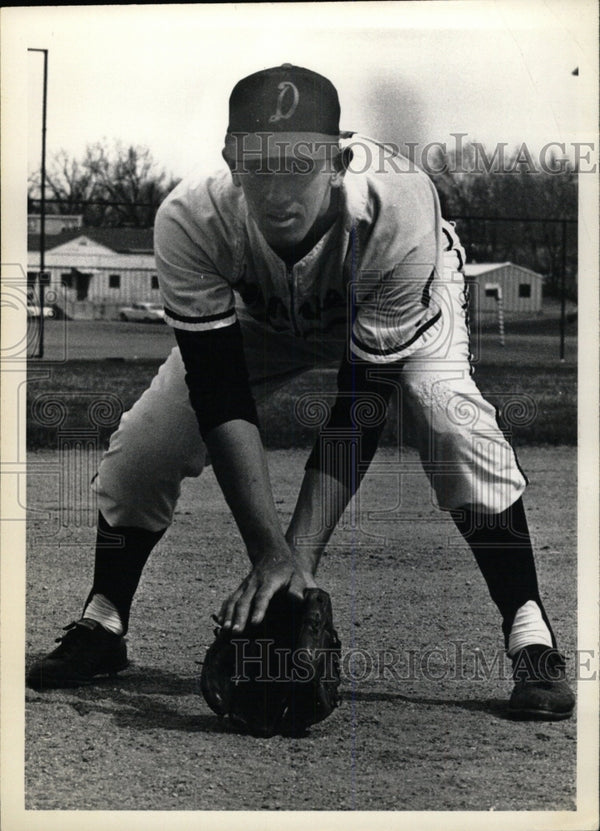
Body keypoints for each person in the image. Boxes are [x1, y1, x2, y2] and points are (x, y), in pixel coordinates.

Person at [27, 64, 574, 720]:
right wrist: (268, 552)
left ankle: (530, 634)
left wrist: (296, 562)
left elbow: (363, 399)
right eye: (260, 166)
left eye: (299, 164)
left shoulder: (397, 206)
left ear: (338, 160)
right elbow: (220, 391)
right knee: (148, 440)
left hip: (392, 290)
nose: (279, 188)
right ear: (230, 159)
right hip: (262, 318)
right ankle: (103, 620)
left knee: (444, 414)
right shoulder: (189, 221)